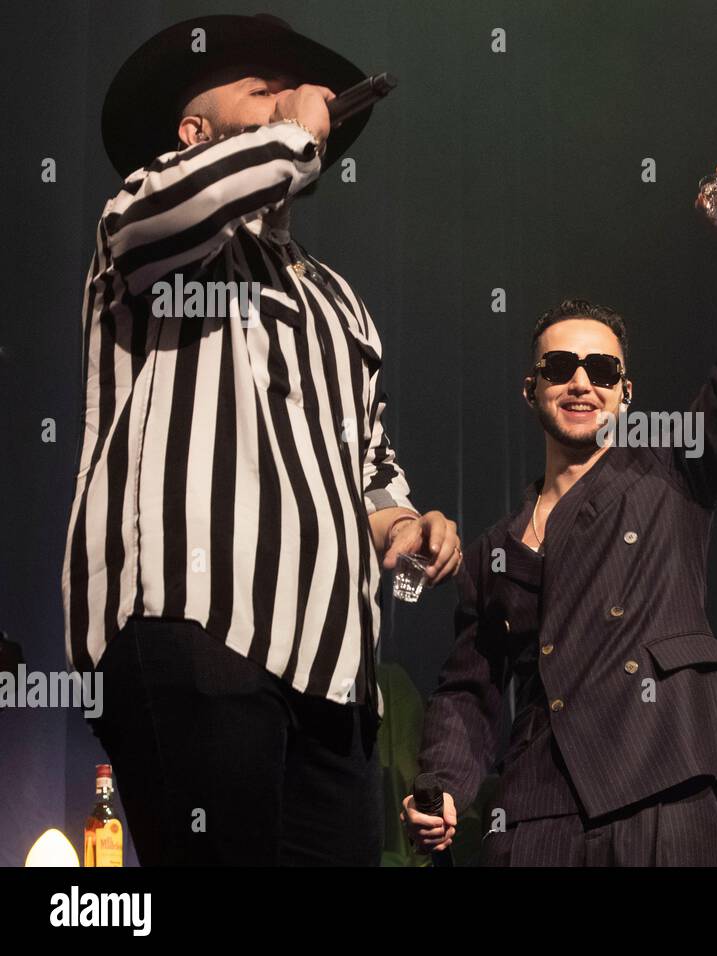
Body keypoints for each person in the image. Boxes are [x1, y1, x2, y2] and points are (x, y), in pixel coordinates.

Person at [64, 14, 460, 865]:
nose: (289, 99)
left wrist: (401, 525)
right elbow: (175, 209)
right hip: (195, 625)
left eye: (294, 90)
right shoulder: (146, 216)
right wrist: (294, 134)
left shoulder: (338, 300)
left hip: (333, 671)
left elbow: (370, 466)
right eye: (262, 88)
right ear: (193, 131)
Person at [403, 164, 717, 866]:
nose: (582, 381)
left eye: (602, 371)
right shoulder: (496, 547)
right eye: (561, 368)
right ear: (532, 390)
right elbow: (469, 687)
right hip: (535, 805)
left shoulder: (669, 470)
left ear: (625, 393)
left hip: (659, 784)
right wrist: (444, 785)